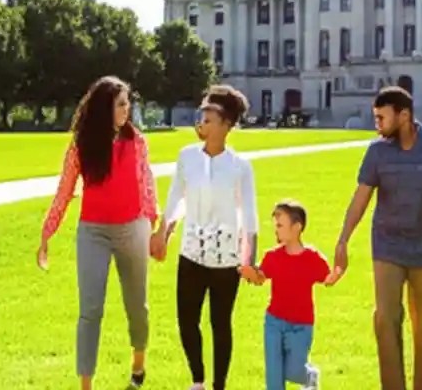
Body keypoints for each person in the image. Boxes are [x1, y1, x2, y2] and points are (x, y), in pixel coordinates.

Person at [330, 86, 422, 390]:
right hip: (387, 246)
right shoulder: (376, 152)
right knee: (385, 319)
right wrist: (343, 239)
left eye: (381, 118)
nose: (377, 124)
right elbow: (360, 198)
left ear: (404, 115)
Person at [37, 76, 158, 390]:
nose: (127, 109)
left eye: (128, 103)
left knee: (137, 307)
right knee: (90, 310)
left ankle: (138, 366)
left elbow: (147, 184)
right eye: (120, 104)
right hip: (93, 233)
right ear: (105, 108)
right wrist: (46, 234)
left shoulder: (137, 142)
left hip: (133, 230)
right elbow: (64, 191)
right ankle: (86, 385)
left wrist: (153, 224)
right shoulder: (81, 145)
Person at [152, 84, 259, 390]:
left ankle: (219, 385)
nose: (202, 123)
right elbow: (176, 198)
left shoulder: (240, 167)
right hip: (190, 255)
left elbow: (249, 215)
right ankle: (198, 380)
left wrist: (249, 259)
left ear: (227, 125)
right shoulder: (187, 157)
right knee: (186, 321)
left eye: (209, 118)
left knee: (220, 324)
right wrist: (164, 232)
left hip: (227, 260)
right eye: (202, 117)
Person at [240, 200, 340, 390]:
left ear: (297, 227)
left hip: (301, 325)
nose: (276, 230)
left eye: (280, 225)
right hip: (274, 323)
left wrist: (335, 274)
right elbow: (260, 277)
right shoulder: (273, 257)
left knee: (293, 371)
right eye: (275, 225)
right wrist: (250, 273)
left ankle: (309, 376)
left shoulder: (313, 259)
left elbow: (327, 278)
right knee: (274, 376)